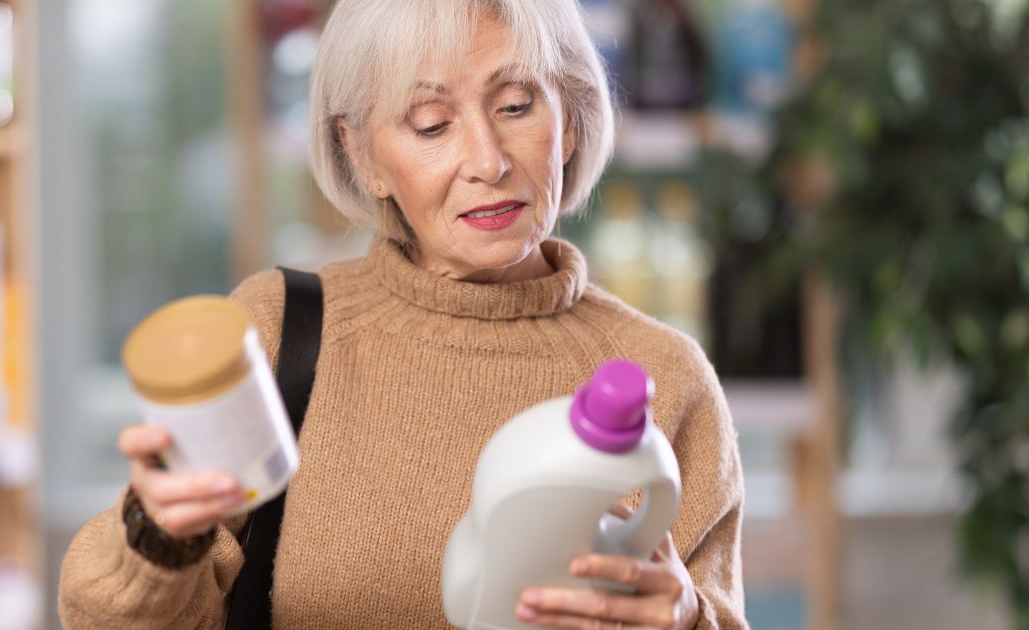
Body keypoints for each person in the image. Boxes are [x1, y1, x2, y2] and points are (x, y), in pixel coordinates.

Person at [58, 1, 746, 628]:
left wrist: (688, 621)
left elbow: (711, 612)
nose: (487, 160)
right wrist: (157, 536)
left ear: (568, 120)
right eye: (431, 124)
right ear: (361, 154)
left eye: (514, 106)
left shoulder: (665, 378)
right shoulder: (282, 335)